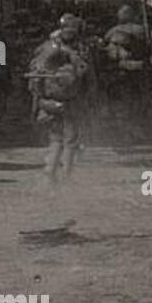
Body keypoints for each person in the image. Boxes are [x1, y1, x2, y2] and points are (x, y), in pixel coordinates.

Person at [28, 22, 88, 184]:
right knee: (70, 139)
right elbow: (84, 73)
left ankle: (50, 171)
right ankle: (67, 174)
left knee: (55, 138)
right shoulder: (73, 54)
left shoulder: (42, 52)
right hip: (69, 102)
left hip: (48, 101)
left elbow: (33, 80)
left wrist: (37, 102)